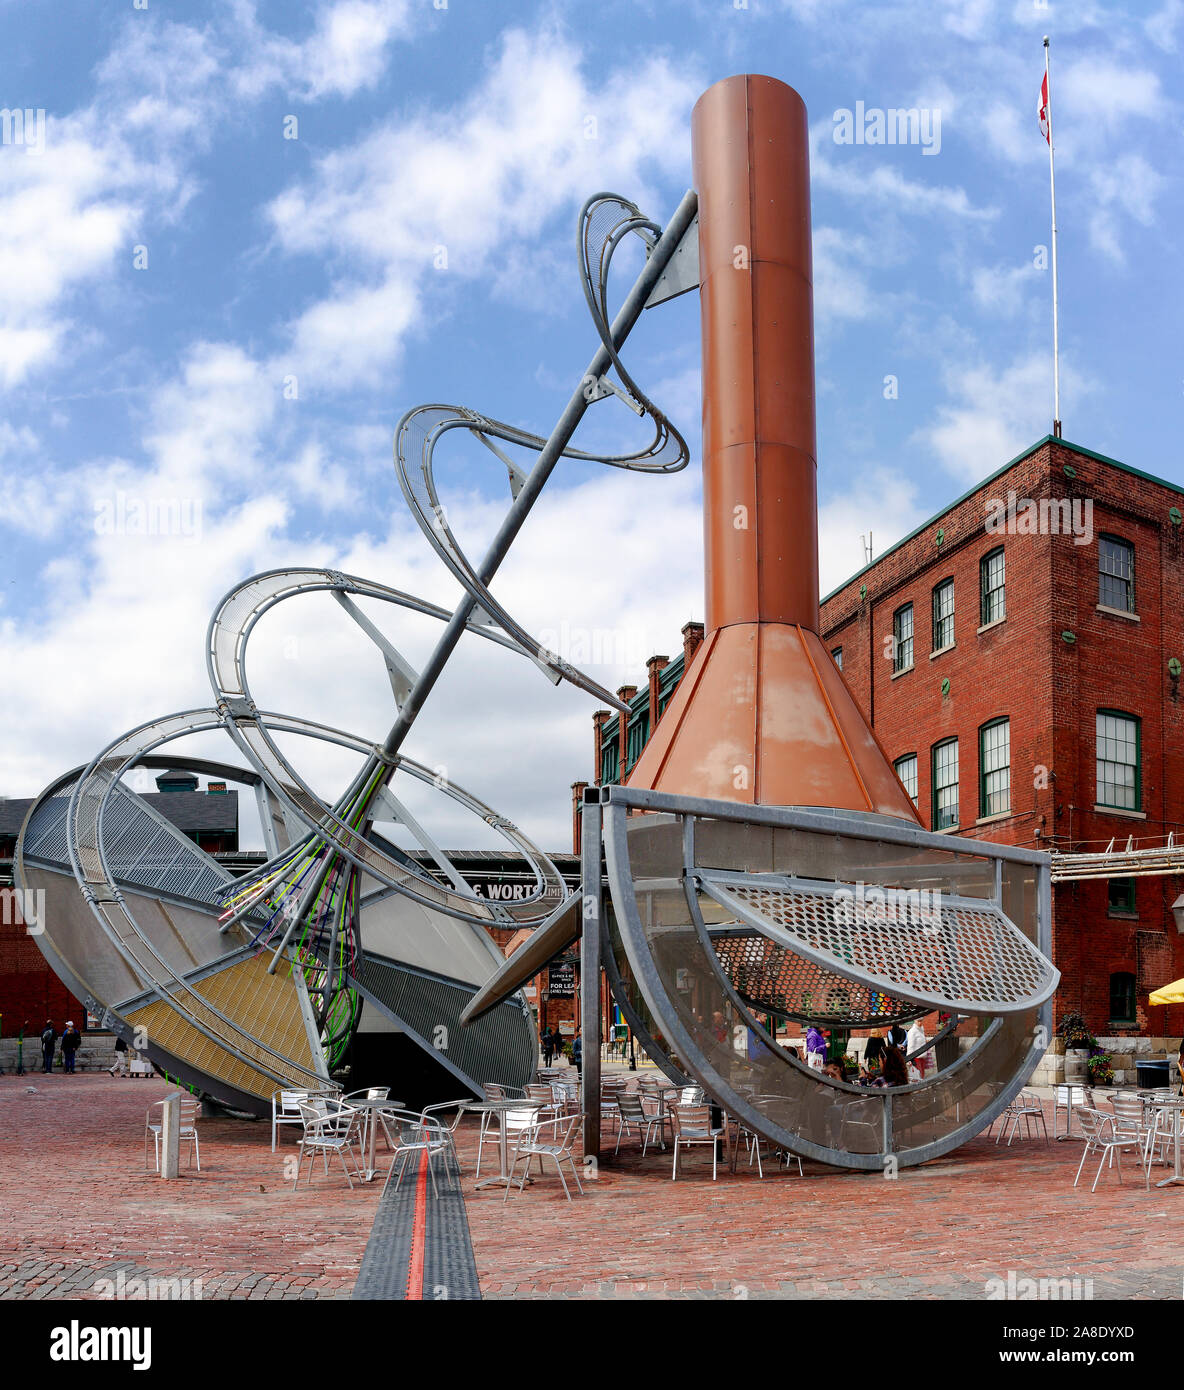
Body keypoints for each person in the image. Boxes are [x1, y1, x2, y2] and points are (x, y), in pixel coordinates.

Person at [906, 1017, 929, 1082]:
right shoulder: (912, 1031)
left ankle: (921, 1088)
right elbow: (910, 1046)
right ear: (915, 1021)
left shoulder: (921, 1029)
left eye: (921, 1021)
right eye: (918, 1021)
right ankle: (917, 1089)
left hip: (922, 1056)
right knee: (917, 1075)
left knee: (922, 1074)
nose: (920, 1023)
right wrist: (909, 1058)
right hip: (916, 1057)